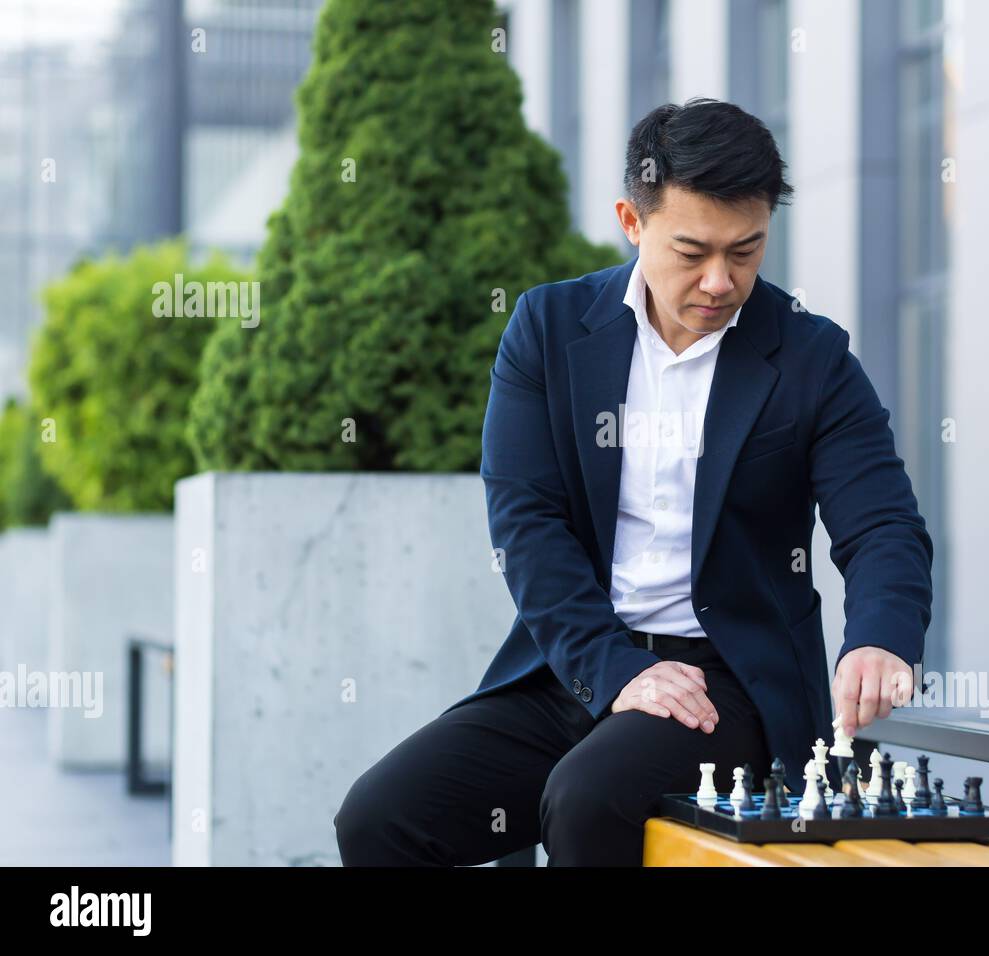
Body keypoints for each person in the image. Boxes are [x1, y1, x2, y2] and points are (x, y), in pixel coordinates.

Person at [334, 97, 933, 867]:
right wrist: (618, 672)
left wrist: (880, 637)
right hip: (577, 666)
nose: (721, 281)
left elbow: (882, 523)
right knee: (380, 817)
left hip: (730, 685)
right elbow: (527, 522)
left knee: (588, 800)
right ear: (632, 219)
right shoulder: (547, 331)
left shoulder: (812, 358)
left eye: (745, 251)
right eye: (692, 251)